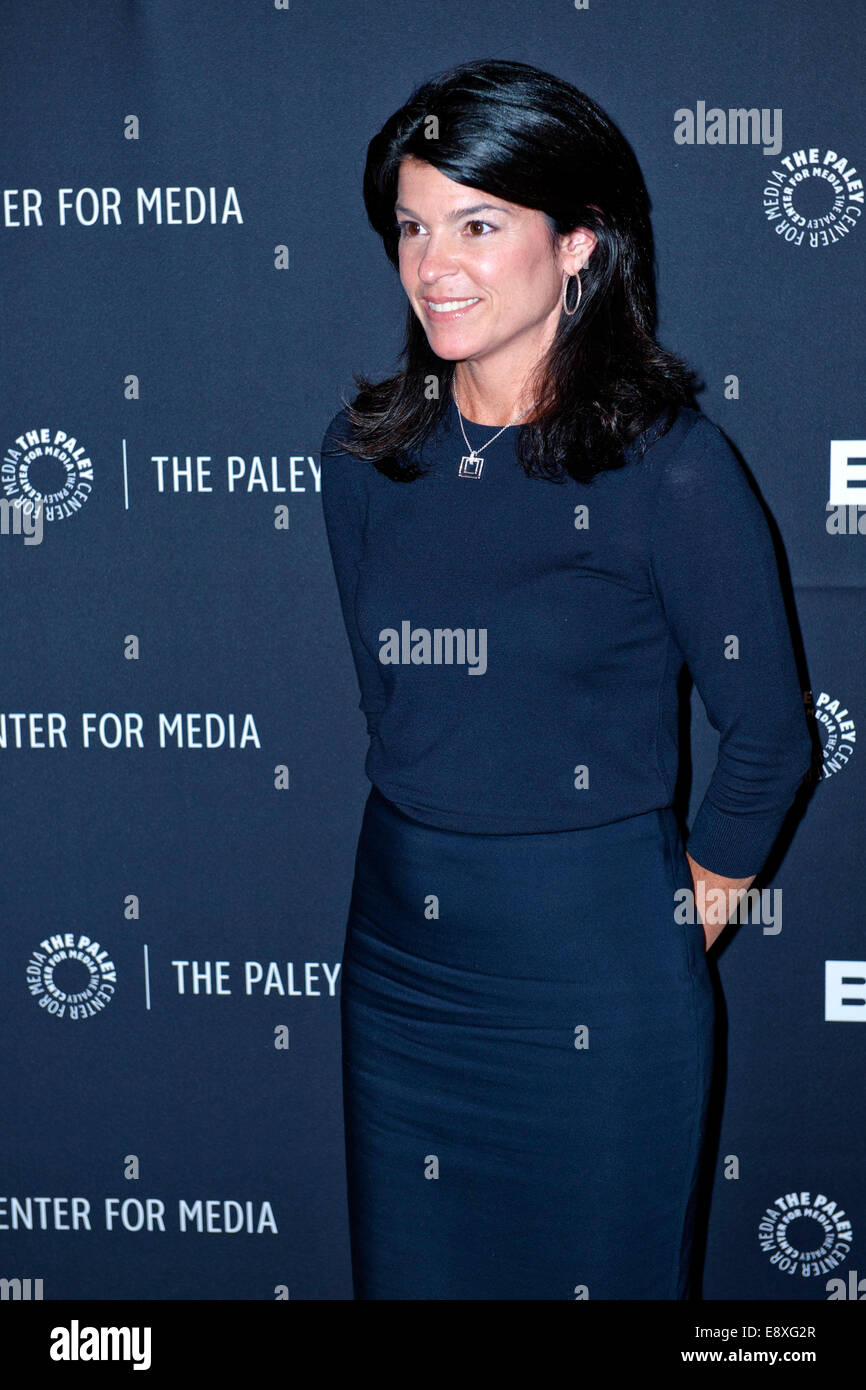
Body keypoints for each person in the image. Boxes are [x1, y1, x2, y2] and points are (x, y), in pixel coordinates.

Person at [319, 58, 813, 1300]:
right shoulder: (364, 454)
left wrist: (647, 929)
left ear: (579, 243)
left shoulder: (670, 468)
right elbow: (400, 709)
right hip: (401, 968)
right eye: (413, 227)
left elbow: (767, 735)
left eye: (478, 225)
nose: (434, 264)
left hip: (596, 969)